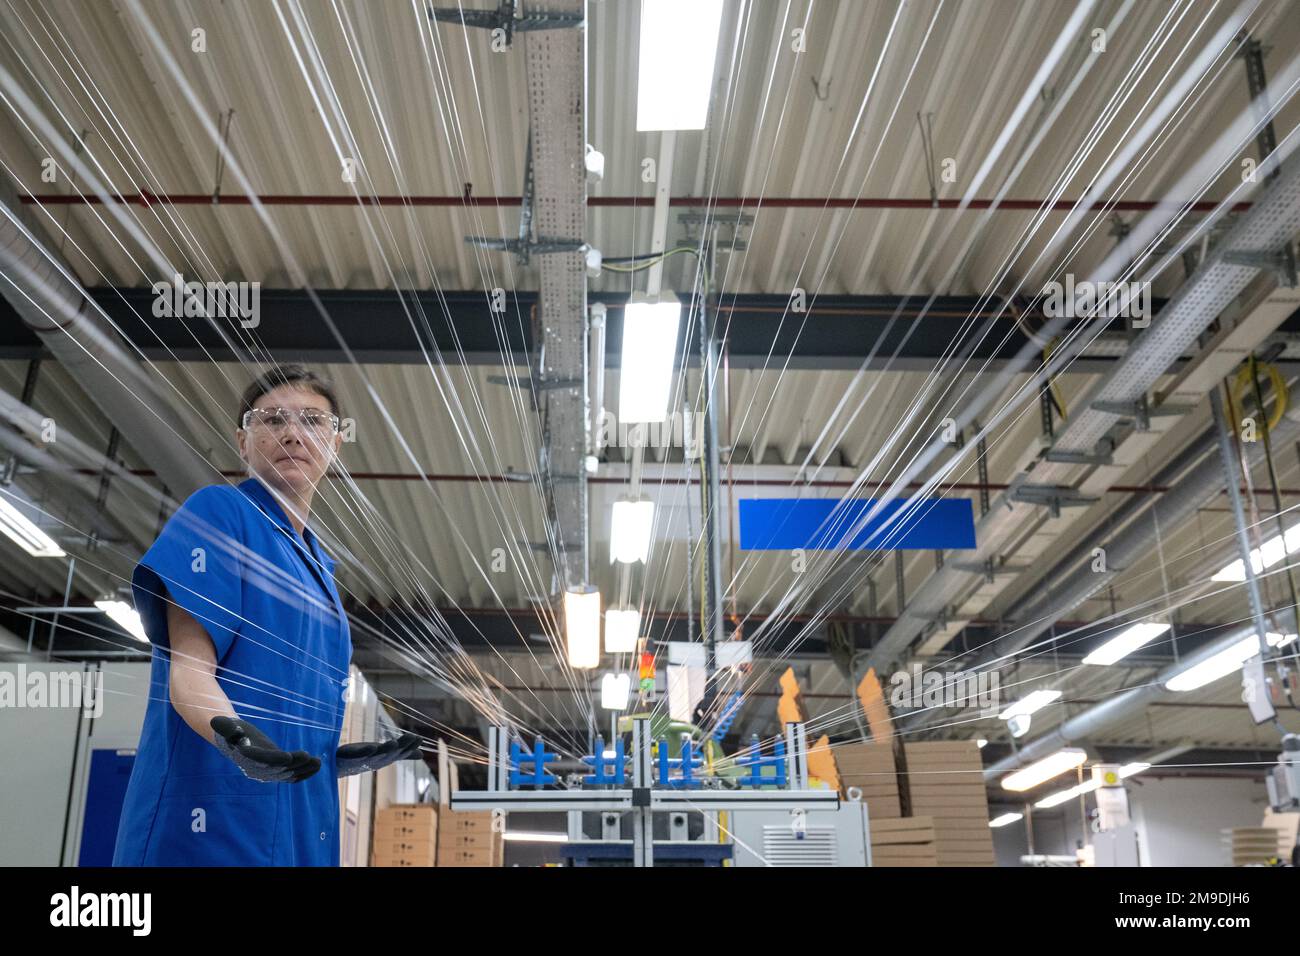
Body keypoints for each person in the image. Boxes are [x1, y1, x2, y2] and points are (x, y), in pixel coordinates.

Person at [113, 364, 421, 866]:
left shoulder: (320, 570)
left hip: (302, 823)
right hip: (213, 824)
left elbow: (283, 707)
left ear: (336, 444)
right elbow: (189, 675)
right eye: (272, 420)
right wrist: (236, 739)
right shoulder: (221, 516)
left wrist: (324, 759)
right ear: (243, 440)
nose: (293, 434)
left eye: (312, 421)